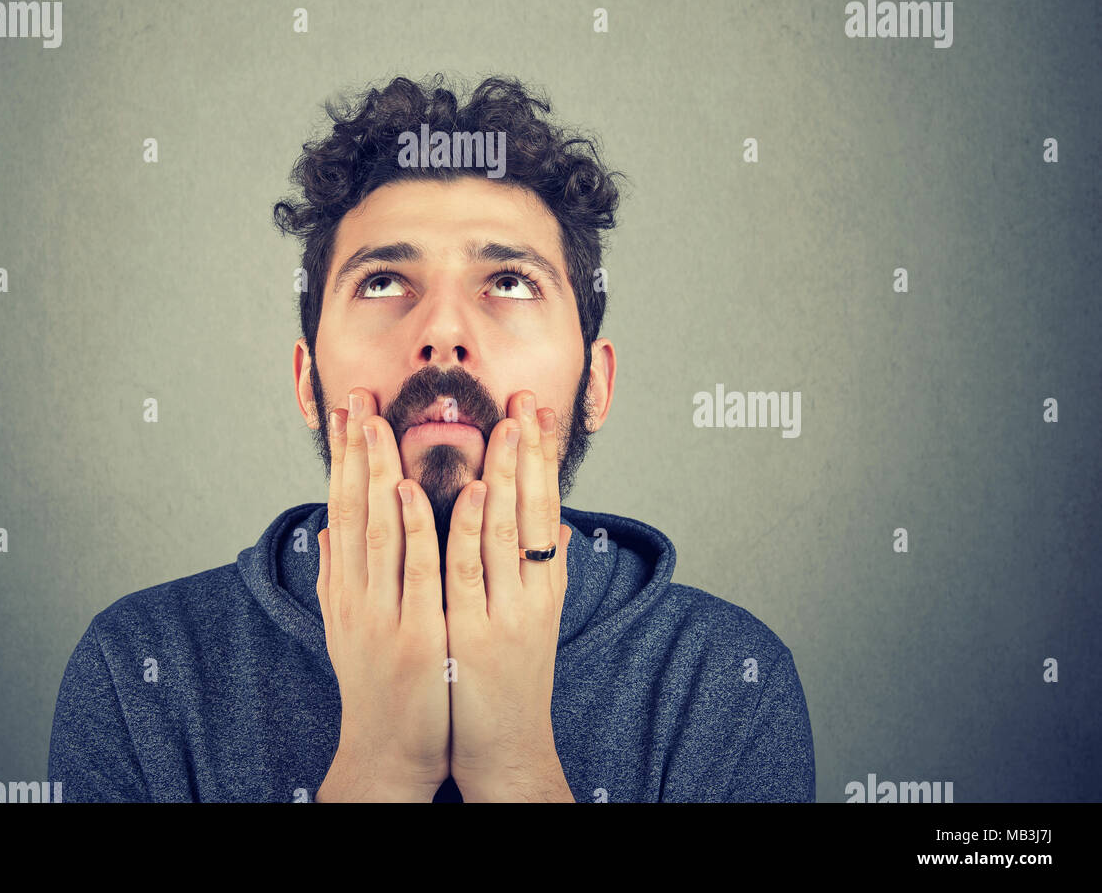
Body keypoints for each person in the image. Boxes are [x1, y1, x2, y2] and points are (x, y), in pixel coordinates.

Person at [48, 74, 815, 802]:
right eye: (383, 282)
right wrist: (380, 767)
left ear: (595, 385)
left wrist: (512, 765)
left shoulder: (726, 681)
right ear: (306, 380)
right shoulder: (139, 671)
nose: (443, 334)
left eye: (509, 282)